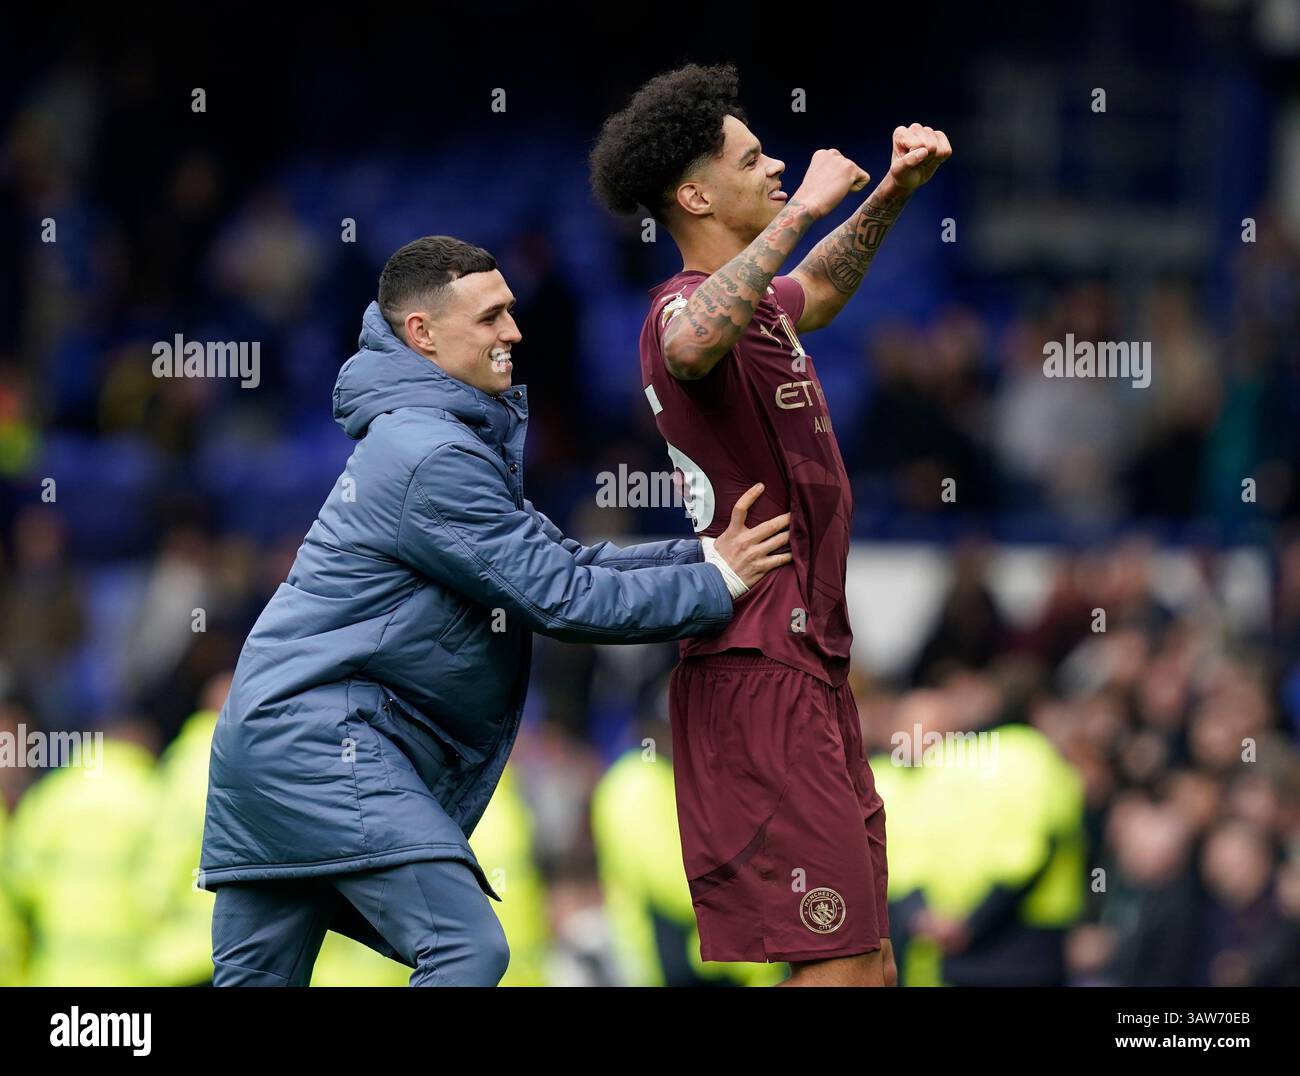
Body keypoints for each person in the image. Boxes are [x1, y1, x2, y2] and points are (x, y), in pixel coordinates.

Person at [201, 235, 791, 987]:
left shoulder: (432, 441)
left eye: (511, 311)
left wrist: (707, 561)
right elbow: (560, 596)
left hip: (269, 745)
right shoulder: (431, 455)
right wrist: (717, 587)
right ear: (422, 334)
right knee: (467, 950)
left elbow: (563, 563)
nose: (513, 331)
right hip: (320, 743)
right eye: (490, 317)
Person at [589, 63, 951, 986]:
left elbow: (818, 291)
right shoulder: (682, 307)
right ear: (695, 193)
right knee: (834, 966)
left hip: (809, 663)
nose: (779, 167)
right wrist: (804, 213)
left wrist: (891, 196)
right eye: (756, 159)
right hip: (755, 670)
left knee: (869, 962)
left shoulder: (760, 315)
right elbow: (690, 339)